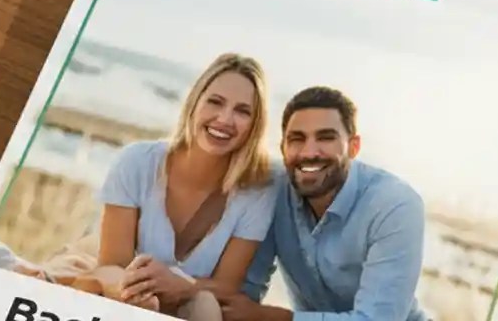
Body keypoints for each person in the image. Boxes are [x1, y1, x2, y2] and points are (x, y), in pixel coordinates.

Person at [90, 52, 279, 320]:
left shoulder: (256, 192)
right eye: (215, 102)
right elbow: (111, 265)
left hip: (191, 311)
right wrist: (135, 293)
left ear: (255, 125)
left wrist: (182, 286)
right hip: (125, 303)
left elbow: (226, 287)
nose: (225, 119)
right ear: (194, 103)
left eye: (242, 111)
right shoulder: (137, 163)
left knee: (205, 305)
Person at [217, 86, 428, 321]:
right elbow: (246, 289)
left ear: (354, 147)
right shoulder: (273, 189)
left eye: (325, 138)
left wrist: (271, 318)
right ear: (282, 148)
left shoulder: (394, 205)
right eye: (297, 139)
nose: (309, 152)